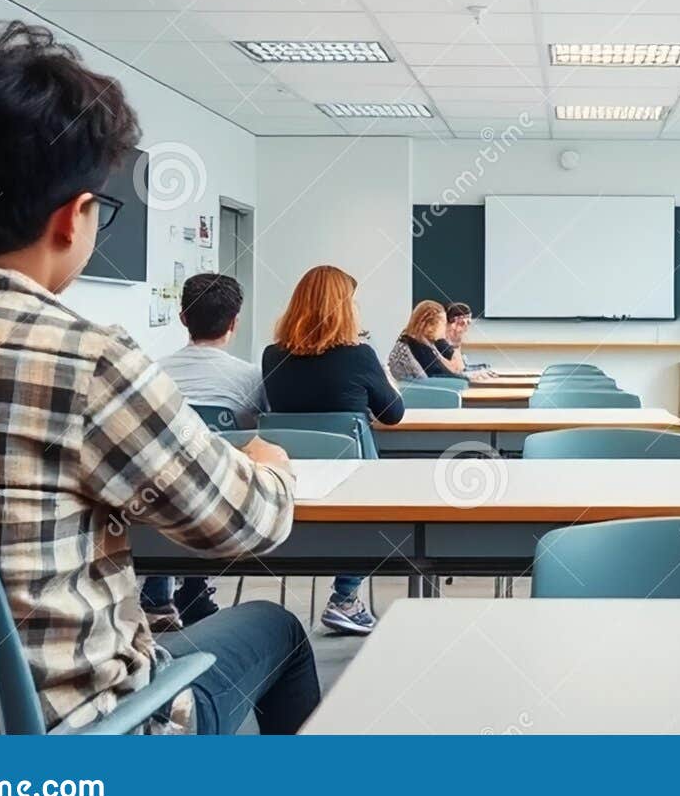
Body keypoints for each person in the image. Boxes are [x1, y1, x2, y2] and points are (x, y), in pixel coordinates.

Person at [0, 19, 316, 734]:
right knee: (278, 629)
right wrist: (269, 466)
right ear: (74, 217)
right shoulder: (89, 364)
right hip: (74, 753)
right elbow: (242, 526)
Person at [263, 265, 404, 634]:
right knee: (382, 498)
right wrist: (383, 377)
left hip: (292, 479)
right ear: (345, 308)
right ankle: (345, 597)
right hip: (352, 483)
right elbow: (393, 415)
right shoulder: (359, 355)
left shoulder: (271, 356)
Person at [144, 272, 271, 631]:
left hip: (158, 494)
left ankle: (158, 596)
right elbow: (258, 430)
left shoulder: (153, 372)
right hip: (224, 497)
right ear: (234, 322)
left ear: (183, 317)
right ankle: (193, 591)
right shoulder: (251, 377)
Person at [389, 300, 456, 380]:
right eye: (443, 323)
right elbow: (438, 374)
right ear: (429, 326)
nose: (445, 328)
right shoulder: (416, 348)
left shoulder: (423, 343)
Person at [436, 302, 472, 373]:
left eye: (468, 322)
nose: (465, 328)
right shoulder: (441, 343)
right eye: (461, 323)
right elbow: (459, 369)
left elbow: (462, 368)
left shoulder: (454, 340)